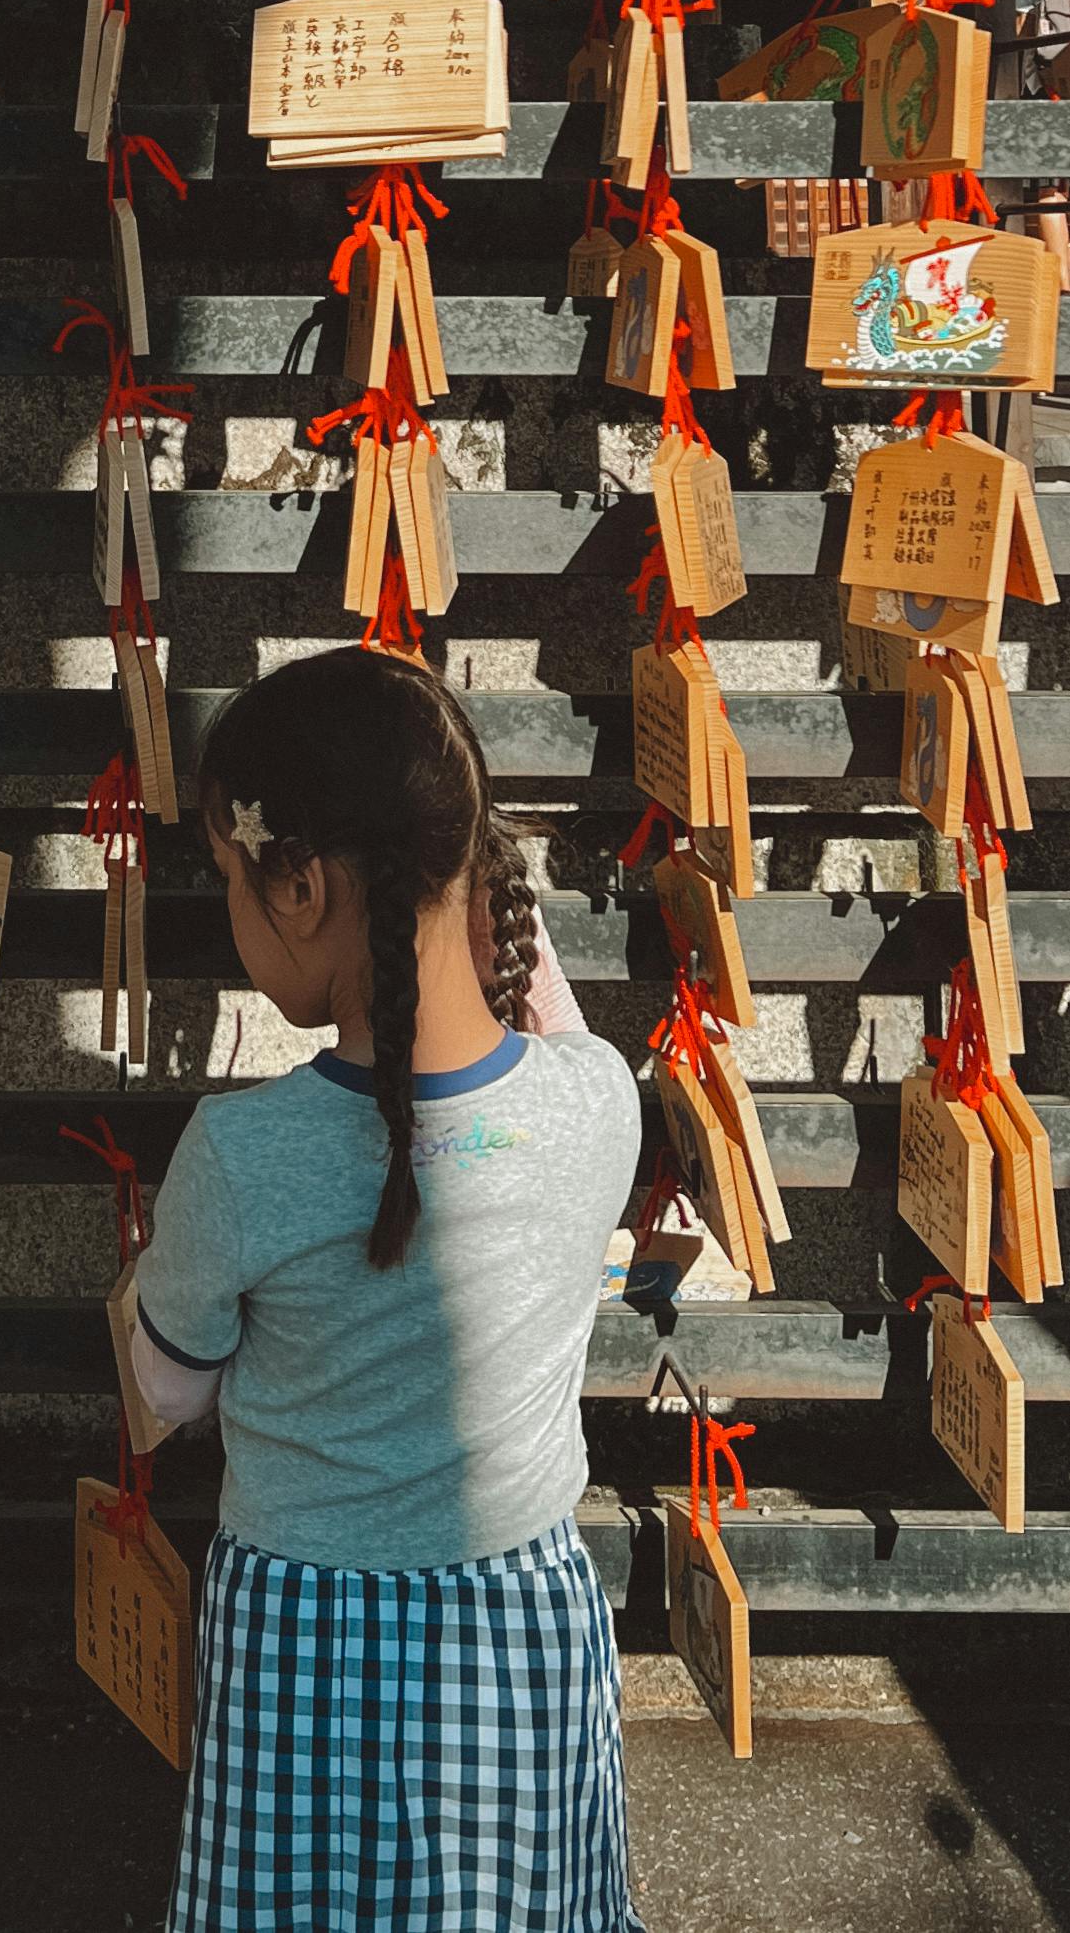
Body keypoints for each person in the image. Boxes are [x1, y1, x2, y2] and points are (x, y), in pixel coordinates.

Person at [130, 646, 643, 1933]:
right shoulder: (598, 1104)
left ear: (300, 888)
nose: (234, 913)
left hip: (303, 1645)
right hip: (518, 1630)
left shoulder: (239, 1159)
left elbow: (164, 1390)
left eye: (232, 881)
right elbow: (547, 1028)